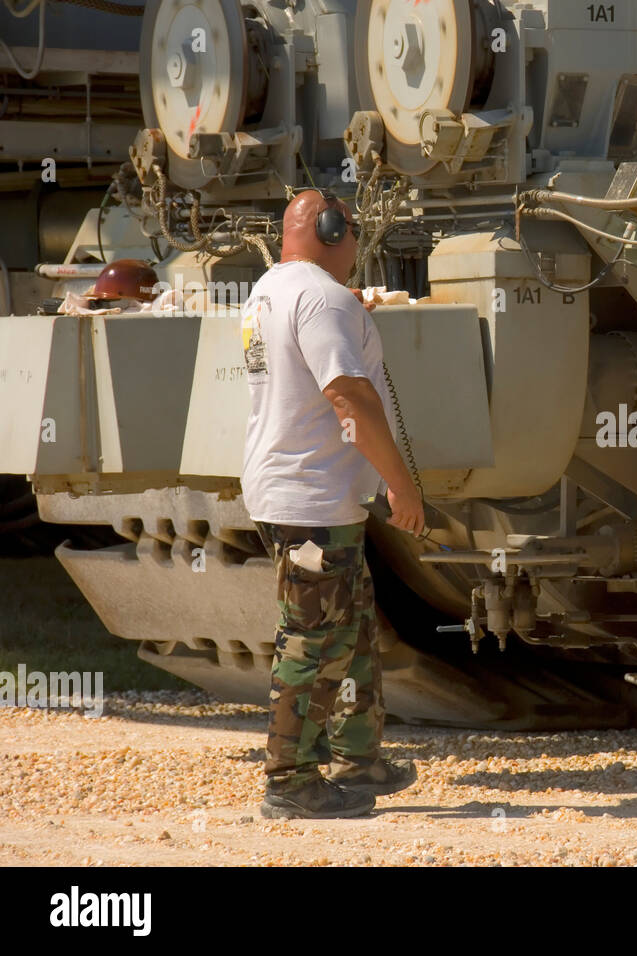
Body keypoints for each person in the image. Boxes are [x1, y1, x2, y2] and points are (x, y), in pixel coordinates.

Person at [240, 189, 426, 819]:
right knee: (312, 637)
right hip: (311, 499)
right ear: (330, 230)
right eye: (351, 230)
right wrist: (402, 484)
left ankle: (358, 758)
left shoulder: (272, 288)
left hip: (304, 495)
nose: (357, 243)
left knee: (352, 626)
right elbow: (350, 397)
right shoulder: (322, 298)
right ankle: (290, 781)